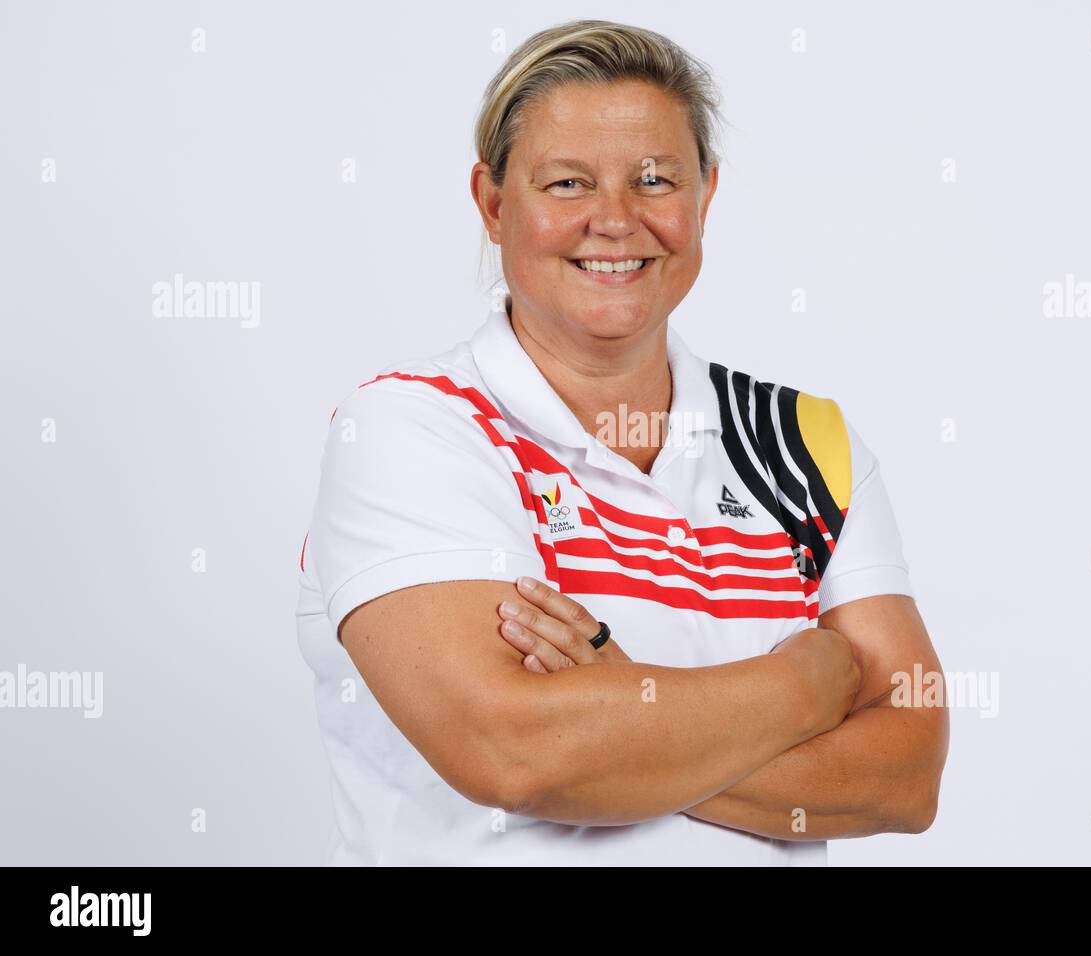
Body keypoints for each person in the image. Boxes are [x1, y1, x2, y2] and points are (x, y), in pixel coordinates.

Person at [295, 18, 948, 866]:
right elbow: (512, 753)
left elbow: (906, 777)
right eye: (567, 183)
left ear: (705, 196)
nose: (615, 220)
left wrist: (617, 714)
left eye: (655, 180)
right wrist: (805, 683)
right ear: (494, 205)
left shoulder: (804, 443)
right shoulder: (410, 429)